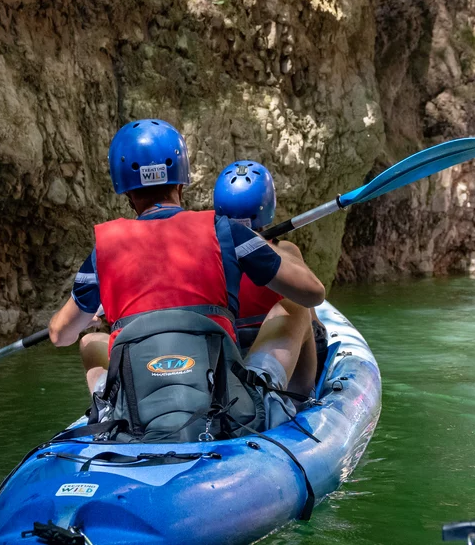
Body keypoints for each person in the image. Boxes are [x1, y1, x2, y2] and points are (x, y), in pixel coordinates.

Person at [46, 120, 326, 439]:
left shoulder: (103, 250)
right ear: (182, 181)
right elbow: (312, 294)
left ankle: (108, 404)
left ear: (125, 191)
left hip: (135, 409)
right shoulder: (224, 230)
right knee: (293, 305)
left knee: (90, 338)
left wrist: (98, 322)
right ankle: (295, 406)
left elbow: (59, 334)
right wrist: (279, 250)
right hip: (224, 409)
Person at [214, 160, 326, 397]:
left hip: (227, 355)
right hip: (279, 363)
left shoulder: (210, 256)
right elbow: (314, 315)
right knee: (304, 315)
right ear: (269, 207)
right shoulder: (286, 252)